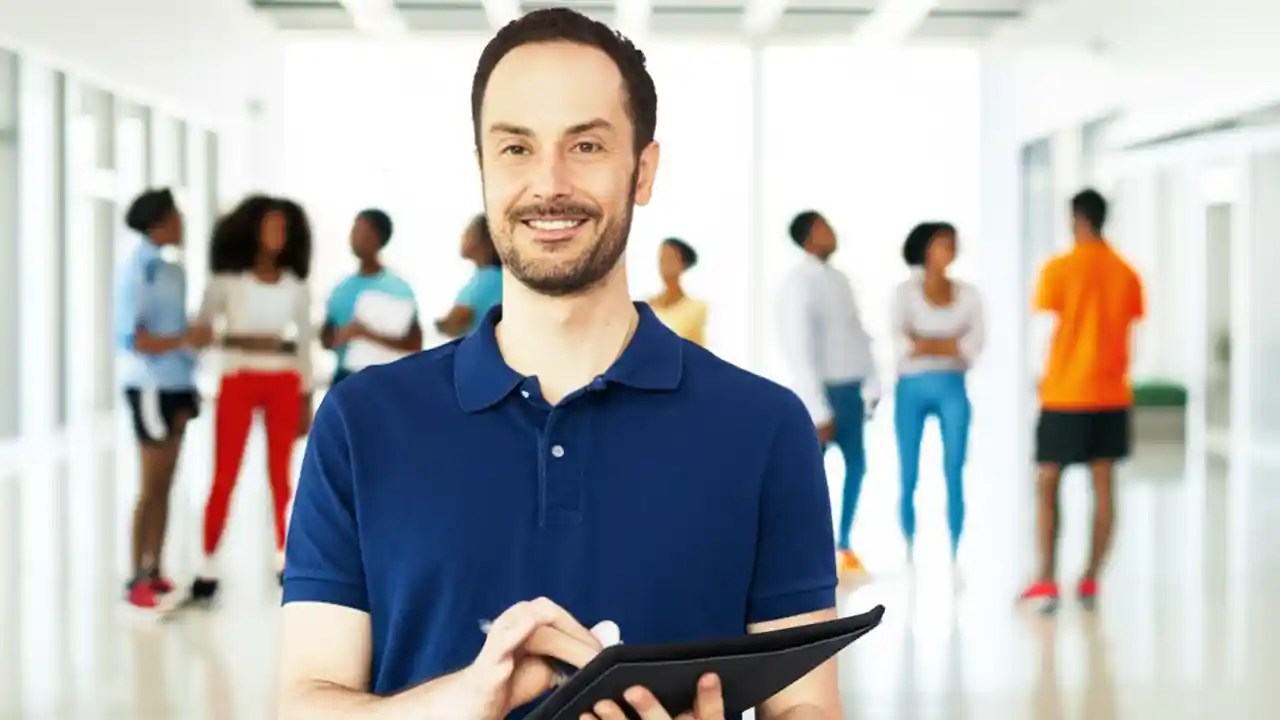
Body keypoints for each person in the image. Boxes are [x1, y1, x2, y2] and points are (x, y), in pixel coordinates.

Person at [277, 8, 842, 720]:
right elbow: (307, 702)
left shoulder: (764, 428)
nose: (549, 183)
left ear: (642, 171)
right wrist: (467, 701)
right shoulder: (362, 423)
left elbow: (807, 705)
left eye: (586, 145)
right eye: (516, 148)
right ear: (483, 169)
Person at [186, 195, 315, 603]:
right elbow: (202, 334)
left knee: (282, 476)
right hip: (238, 381)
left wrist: (306, 396)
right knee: (224, 473)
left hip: (284, 383)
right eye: (269, 226)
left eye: (283, 228)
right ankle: (208, 562)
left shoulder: (295, 286)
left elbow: (304, 345)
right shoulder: (226, 282)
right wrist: (247, 342)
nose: (277, 235)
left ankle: (285, 557)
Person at [1020, 189, 1144, 612]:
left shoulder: (1059, 268)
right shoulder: (1126, 272)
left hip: (1065, 393)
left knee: (1047, 482)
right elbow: (1134, 331)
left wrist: (1040, 381)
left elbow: (1043, 328)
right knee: (1104, 485)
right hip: (1111, 393)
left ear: (1077, 219)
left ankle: (1046, 580)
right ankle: (1091, 579)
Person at [114, 187, 202, 612]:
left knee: (167, 482)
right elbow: (133, 338)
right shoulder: (137, 270)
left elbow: (174, 332)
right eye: (175, 215)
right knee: (150, 485)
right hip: (149, 387)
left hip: (179, 384)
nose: (181, 221)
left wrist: (190, 341)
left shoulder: (174, 271)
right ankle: (136, 577)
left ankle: (156, 569)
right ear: (158, 222)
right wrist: (184, 339)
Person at [778, 210, 880, 576]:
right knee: (811, 474)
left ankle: (844, 544)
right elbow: (799, 348)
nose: (831, 232)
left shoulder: (840, 280)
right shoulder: (798, 284)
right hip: (821, 394)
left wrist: (872, 381)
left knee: (856, 467)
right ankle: (804, 551)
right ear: (807, 238)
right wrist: (817, 407)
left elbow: (857, 333)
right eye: (823, 228)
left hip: (850, 389)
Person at [890, 222, 984, 563]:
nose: (950, 250)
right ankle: (908, 548)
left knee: (955, 467)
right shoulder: (904, 293)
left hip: (952, 387)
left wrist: (925, 342)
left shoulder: (969, 295)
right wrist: (949, 343)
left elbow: (974, 345)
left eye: (953, 243)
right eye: (943, 243)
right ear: (926, 248)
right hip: (910, 388)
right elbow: (901, 343)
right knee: (908, 471)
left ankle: (956, 549)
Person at [320, 208, 423, 385]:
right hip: (345, 379)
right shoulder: (341, 288)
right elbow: (326, 339)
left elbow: (414, 344)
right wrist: (339, 336)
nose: (356, 237)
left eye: (363, 231)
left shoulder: (398, 289)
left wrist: (366, 334)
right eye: (354, 230)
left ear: (379, 238)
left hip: (385, 379)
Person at [434, 213, 504, 338]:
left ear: (483, 240)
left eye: (467, 233)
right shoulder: (501, 279)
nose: (462, 237)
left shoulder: (485, 281)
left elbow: (455, 322)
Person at [648, 237, 708, 345]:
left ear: (682, 264)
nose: (664, 266)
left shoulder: (696, 310)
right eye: (662, 260)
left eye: (670, 260)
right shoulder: (648, 308)